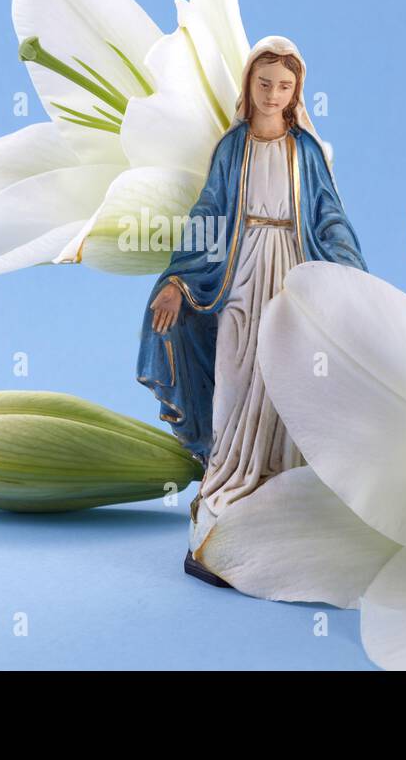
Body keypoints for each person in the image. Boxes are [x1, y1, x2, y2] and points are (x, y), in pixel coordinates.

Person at [134, 35, 367, 585]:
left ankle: (285, 484)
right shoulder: (232, 149)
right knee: (236, 372)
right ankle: (227, 478)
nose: (272, 94)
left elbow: (327, 215)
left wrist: (348, 275)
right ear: (249, 85)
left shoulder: (304, 151)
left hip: (291, 264)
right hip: (241, 269)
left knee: (290, 371)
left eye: (283, 86)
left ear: (295, 92)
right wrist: (177, 280)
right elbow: (210, 212)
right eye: (264, 83)